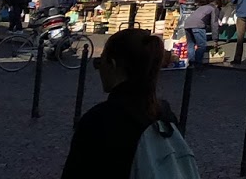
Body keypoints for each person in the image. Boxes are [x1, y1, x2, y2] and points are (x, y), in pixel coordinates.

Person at [61, 29, 184, 179]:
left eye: (99, 62)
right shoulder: (165, 114)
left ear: (112, 64)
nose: (99, 69)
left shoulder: (99, 121)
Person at [182, 0, 216, 68]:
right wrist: (215, 38)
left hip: (187, 24)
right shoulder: (213, 9)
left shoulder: (202, 7)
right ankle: (198, 63)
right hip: (198, 26)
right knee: (201, 45)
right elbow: (214, 23)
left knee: (190, 44)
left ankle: (191, 62)